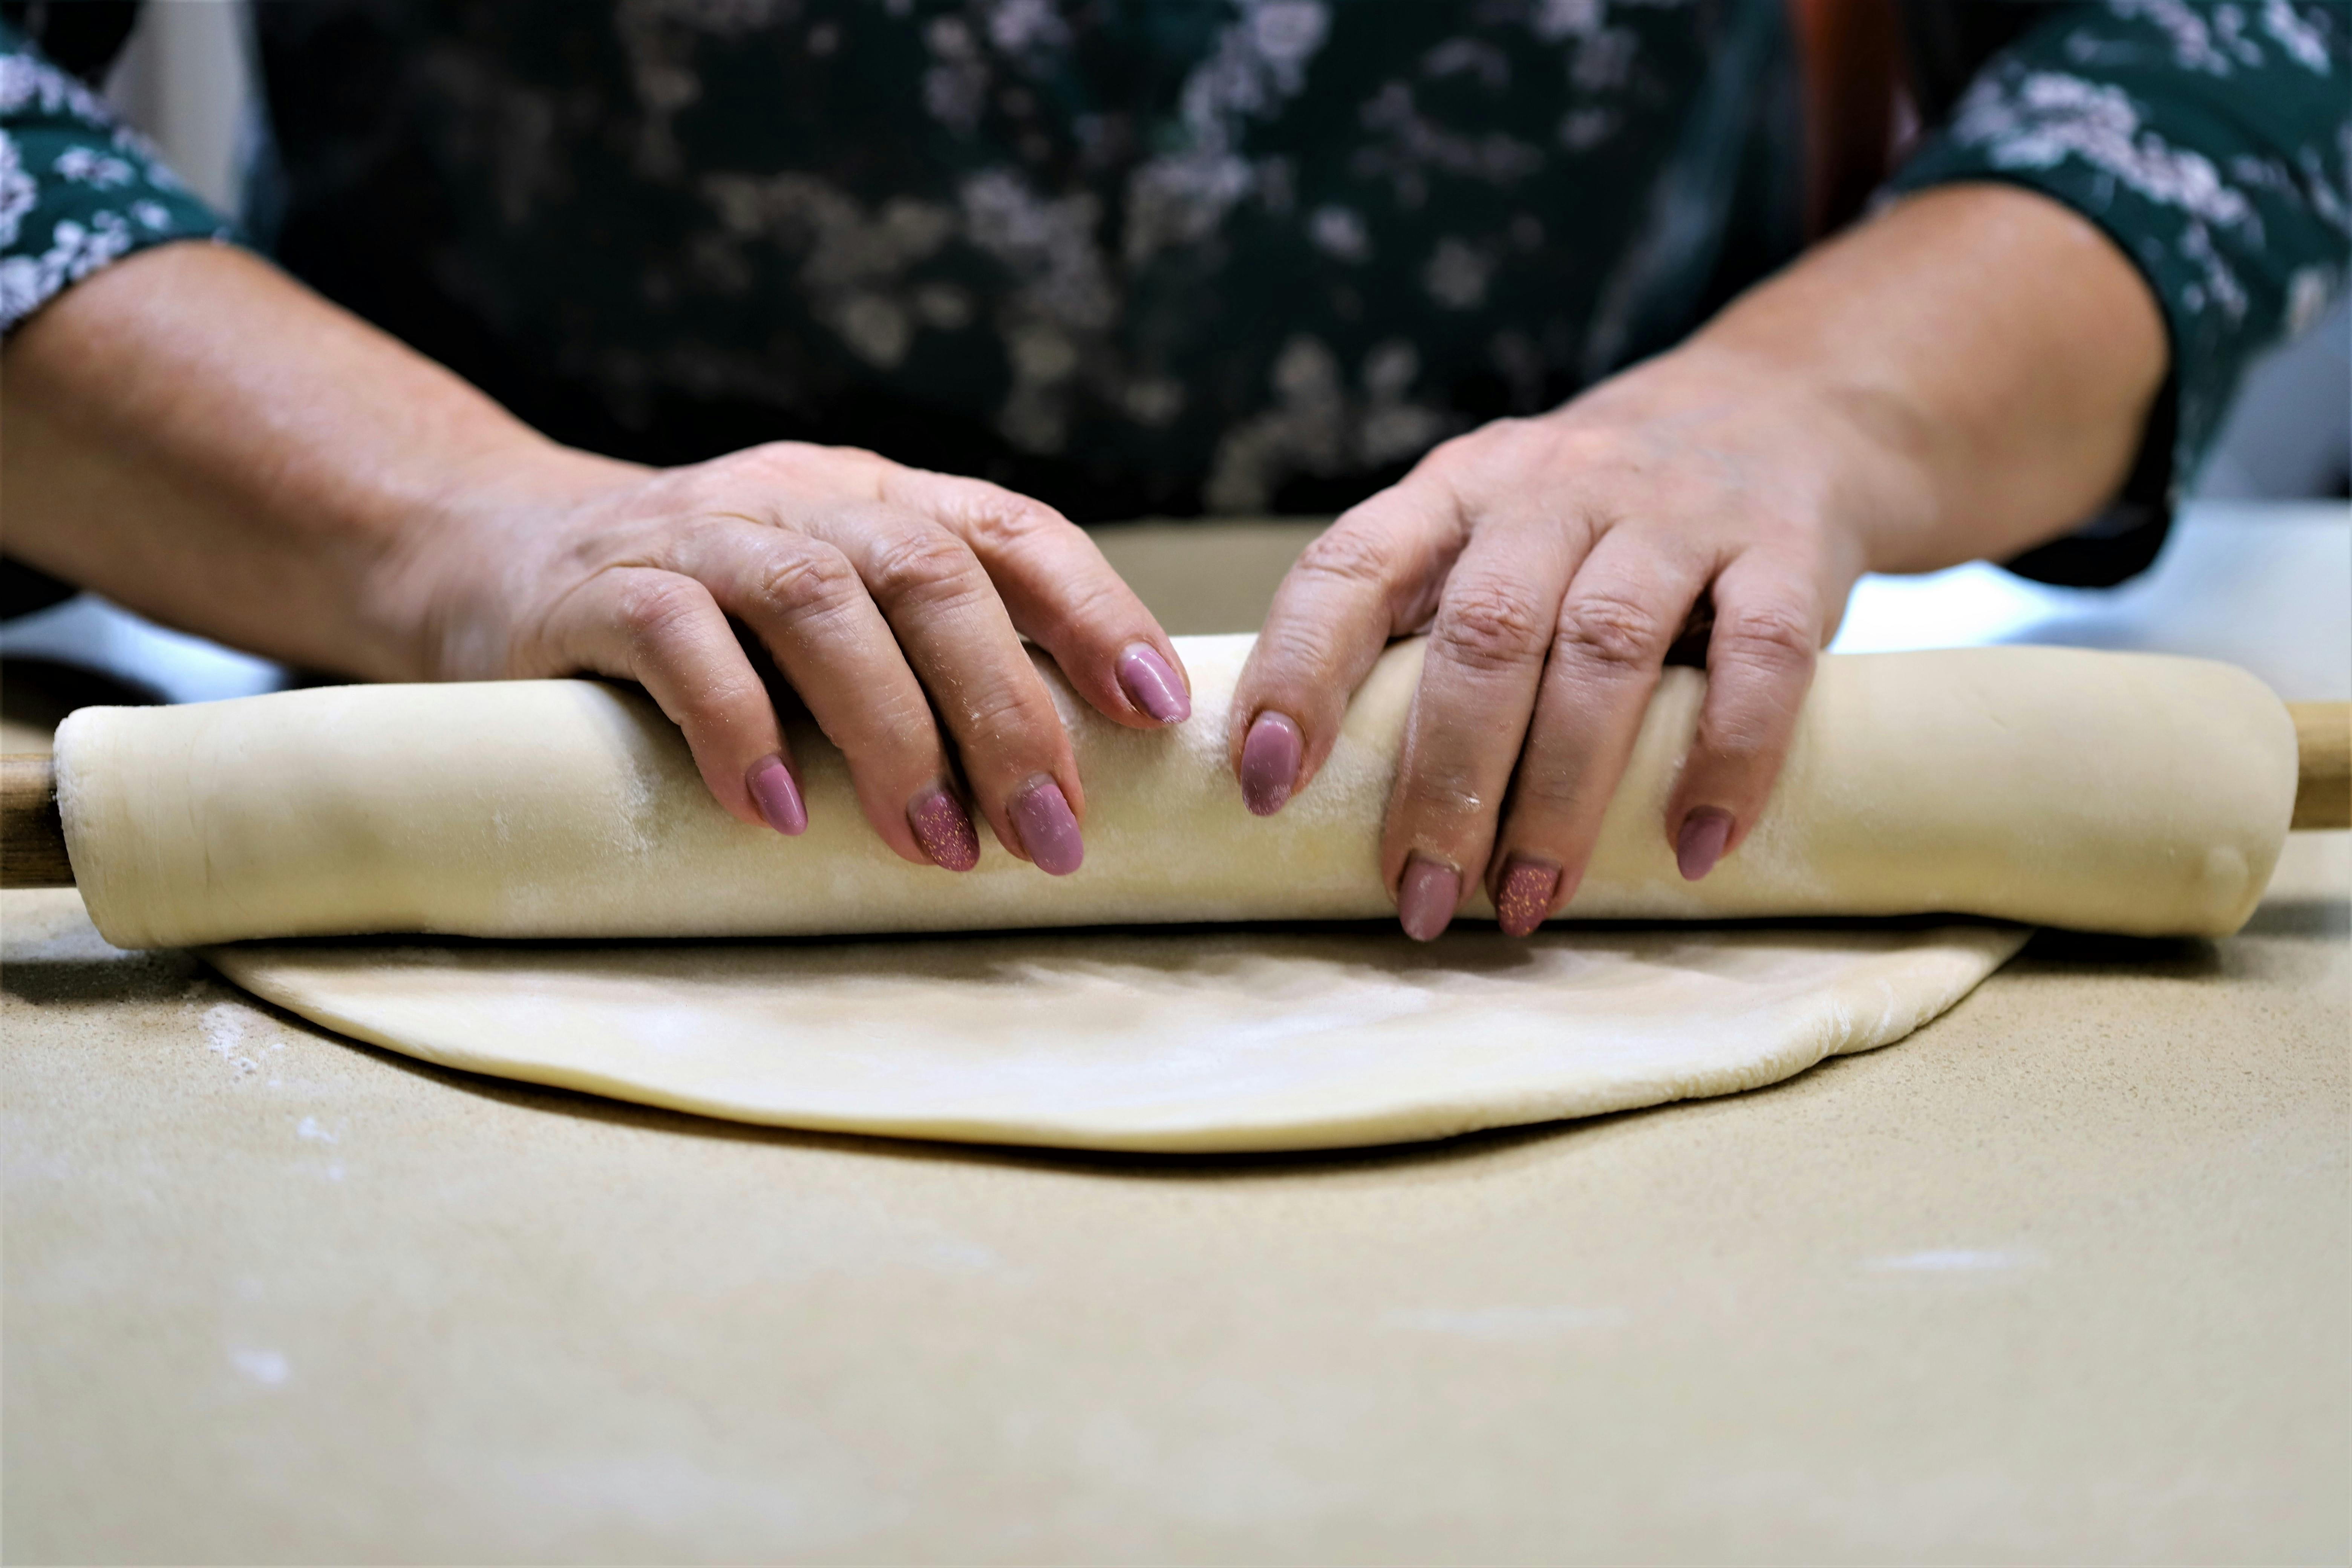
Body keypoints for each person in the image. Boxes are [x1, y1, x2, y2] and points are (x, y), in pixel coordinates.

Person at [3, 0, 2344, 939]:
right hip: (496, 654)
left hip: (1599, 674)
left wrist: (1814, 410)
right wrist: (459, 522)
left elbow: (2227, 32)